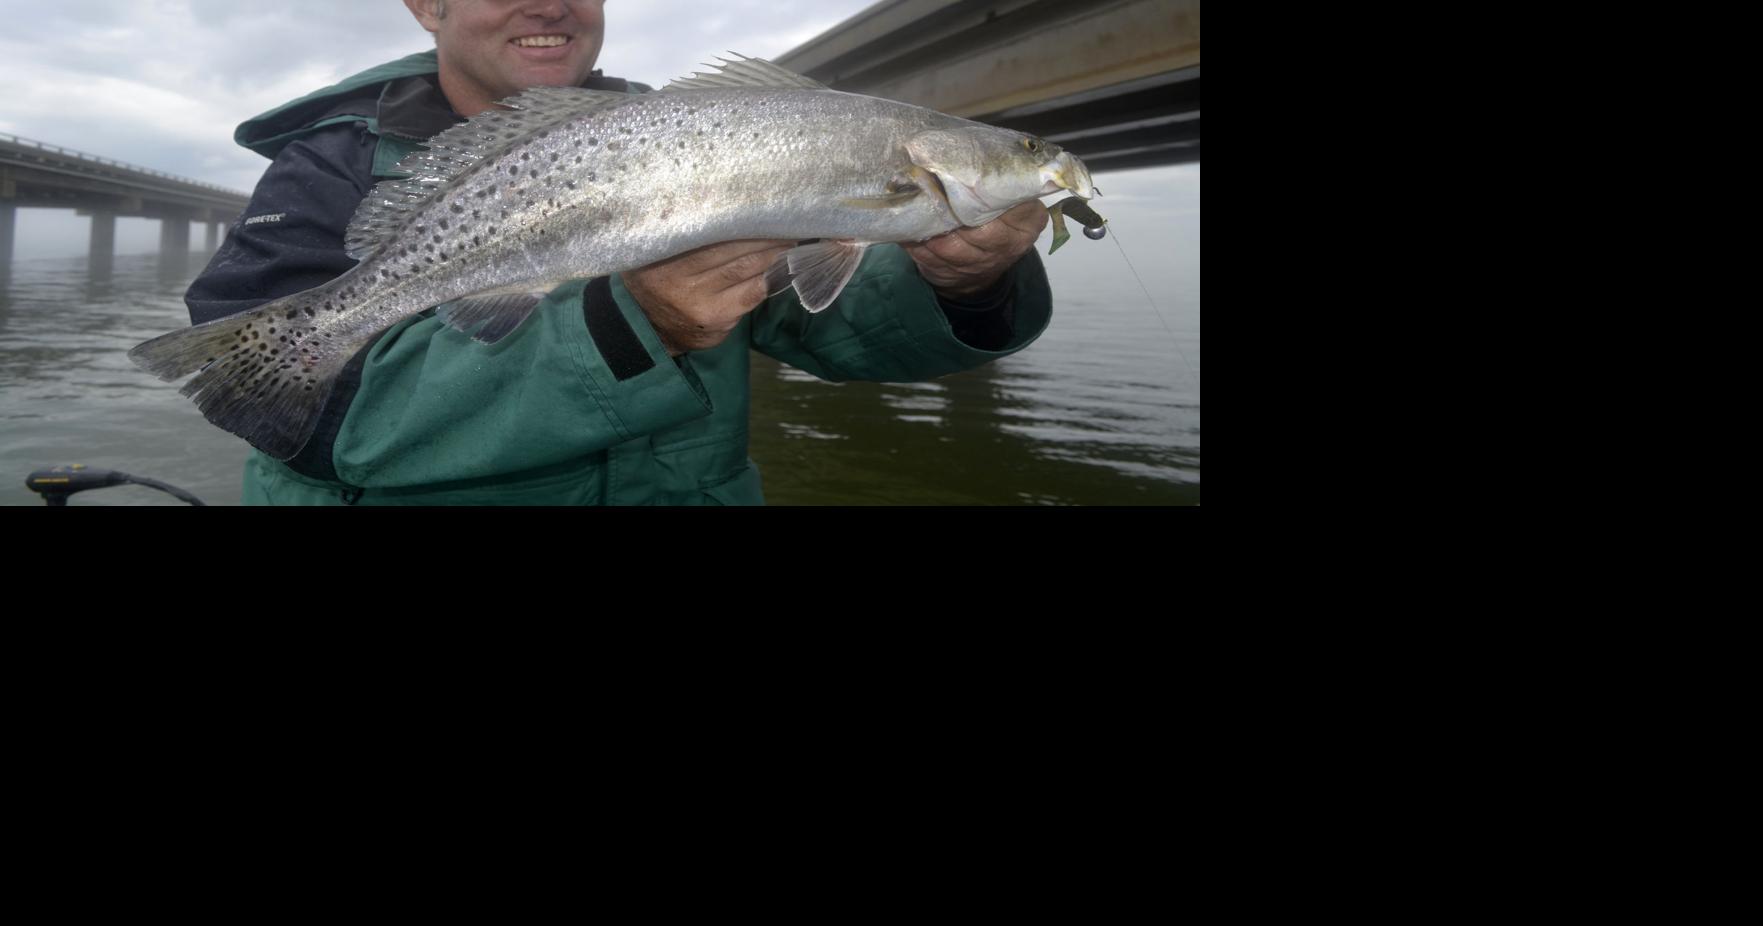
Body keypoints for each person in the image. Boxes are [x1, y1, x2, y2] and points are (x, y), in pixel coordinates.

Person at [186, 0, 1053, 505]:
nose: (551, 3)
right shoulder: (325, 165)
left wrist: (963, 284)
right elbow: (322, 431)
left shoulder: (694, 134)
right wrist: (634, 324)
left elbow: (833, 328)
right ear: (425, 3)